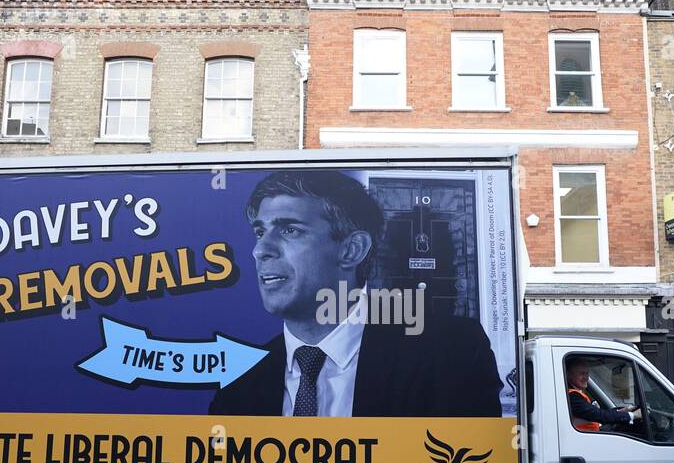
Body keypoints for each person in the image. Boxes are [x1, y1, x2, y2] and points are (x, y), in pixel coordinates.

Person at [209, 170, 503, 417]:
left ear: (352, 250)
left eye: (290, 231)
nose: (260, 250)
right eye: (260, 232)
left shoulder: (450, 352)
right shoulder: (239, 388)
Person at [565, 356, 640, 431]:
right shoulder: (572, 396)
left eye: (587, 373)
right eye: (581, 374)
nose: (586, 377)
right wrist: (633, 415)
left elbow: (599, 413)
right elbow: (598, 415)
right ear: (568, 375)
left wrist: (623, 411)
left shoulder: (576, 394)